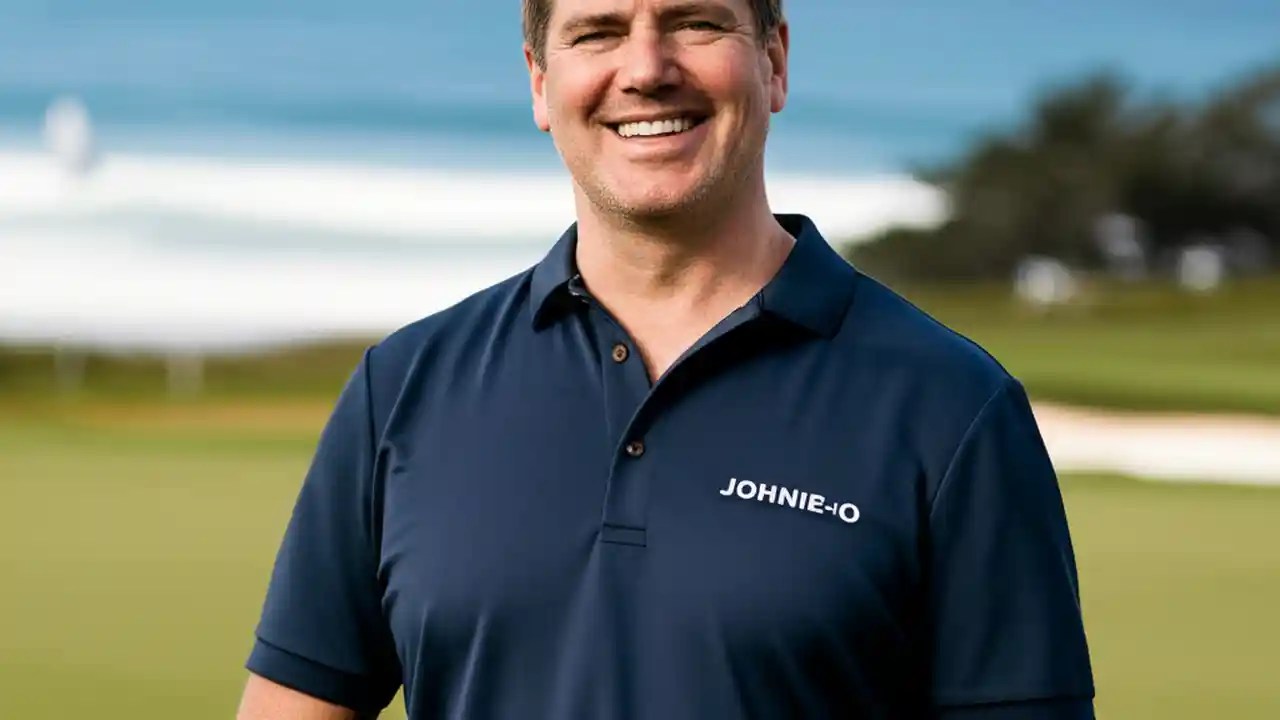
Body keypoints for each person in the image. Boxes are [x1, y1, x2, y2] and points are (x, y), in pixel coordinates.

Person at [237, 0, 1095, 717]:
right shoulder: (405, 386)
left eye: (693, 23)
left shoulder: (950, 409)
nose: (646, 67)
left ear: (775, 61)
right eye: (598, 31)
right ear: (541, 83)